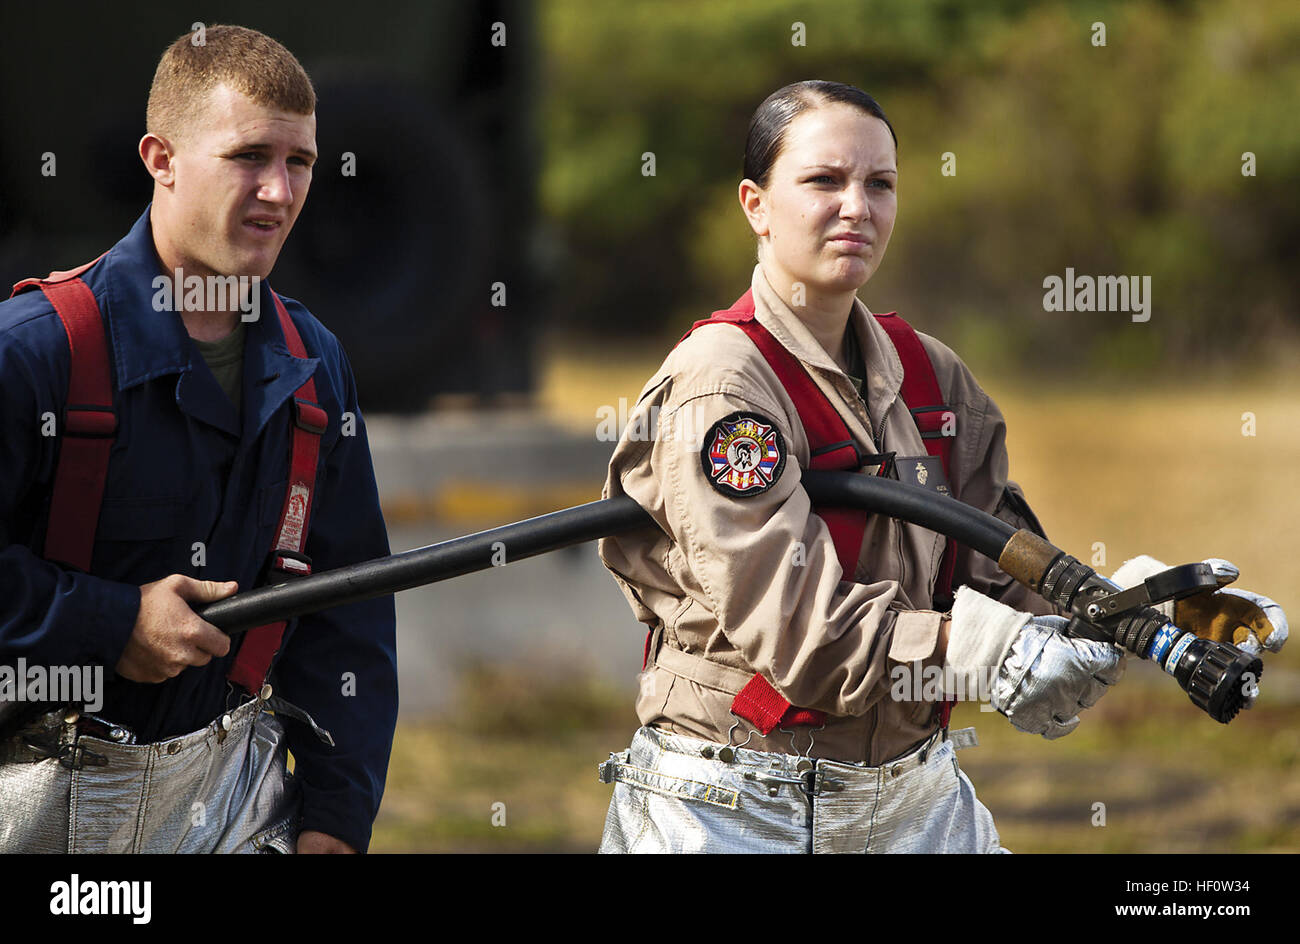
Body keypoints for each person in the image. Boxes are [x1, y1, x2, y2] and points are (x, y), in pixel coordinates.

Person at [595, 80, 1287, 853]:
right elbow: (803, 638)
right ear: (755, 204)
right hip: (732, 805)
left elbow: (1001, 571)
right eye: (824, 180)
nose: (857, 206)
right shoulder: (721, 386)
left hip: (918, 798)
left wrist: (1144, 611)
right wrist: (984, 650)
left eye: (879, 184)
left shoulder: (930, 375)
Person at [0, 25, 397, 853]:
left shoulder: (314, 365)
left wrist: (334, 818)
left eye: (301, 163)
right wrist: (110, 625)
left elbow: (348, 608)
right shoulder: (33, 352)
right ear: (161, 158)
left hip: (234, 802)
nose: (280, 192)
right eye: (250, 155)